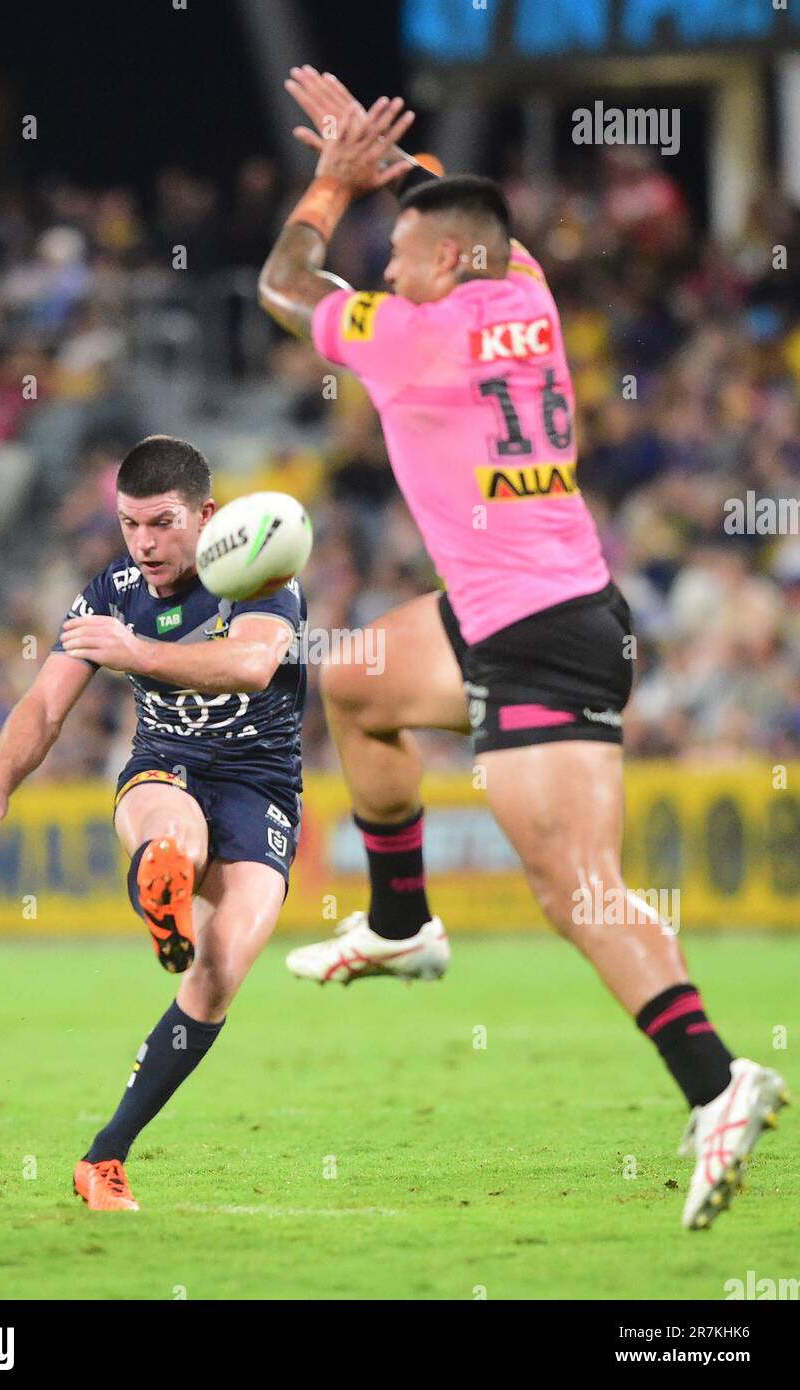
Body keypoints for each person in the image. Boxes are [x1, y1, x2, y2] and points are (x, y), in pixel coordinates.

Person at [257, 70, 787, 1230]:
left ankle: (719, 1082)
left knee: (577, 890)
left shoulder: (407, 341)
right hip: (518, 604)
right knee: (352, 680)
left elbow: (283, 282)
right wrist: (404, 176)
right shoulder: (529, 293)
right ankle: (404, 923)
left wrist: (332, 180)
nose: (385, 269)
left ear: (447, 267)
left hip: (541, 638)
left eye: (400, 252)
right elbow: (469, 223)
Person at [0, 435, 306, 1211]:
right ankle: (163, 877)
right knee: (172, 827)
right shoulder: (112, 589)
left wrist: (135, 652)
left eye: (160, 523)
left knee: (221, 970)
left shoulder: (259, 569)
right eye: (128, 524)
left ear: (205, 515)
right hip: (166, 766)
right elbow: (47, 702)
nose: (143, 544)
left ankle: (102, 1157)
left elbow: (250, 665)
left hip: (261, 789)